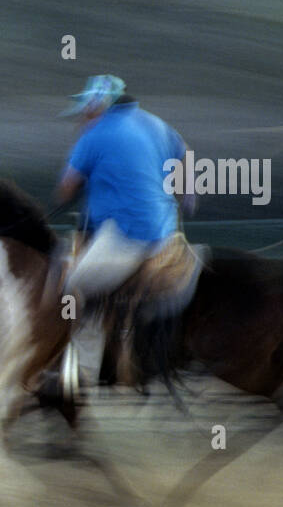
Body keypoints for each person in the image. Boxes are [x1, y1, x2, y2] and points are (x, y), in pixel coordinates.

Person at [53, 74, 189, 386]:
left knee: (71, 288)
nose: (82, 117)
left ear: (97, 105)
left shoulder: (94, 134)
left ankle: (83, 374)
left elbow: (65, 189)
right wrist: (181, 198)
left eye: (85, 109)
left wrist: (84, 162)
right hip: (167, 233)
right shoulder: (157, 125)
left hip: (127, 236)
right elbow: (185, 160)